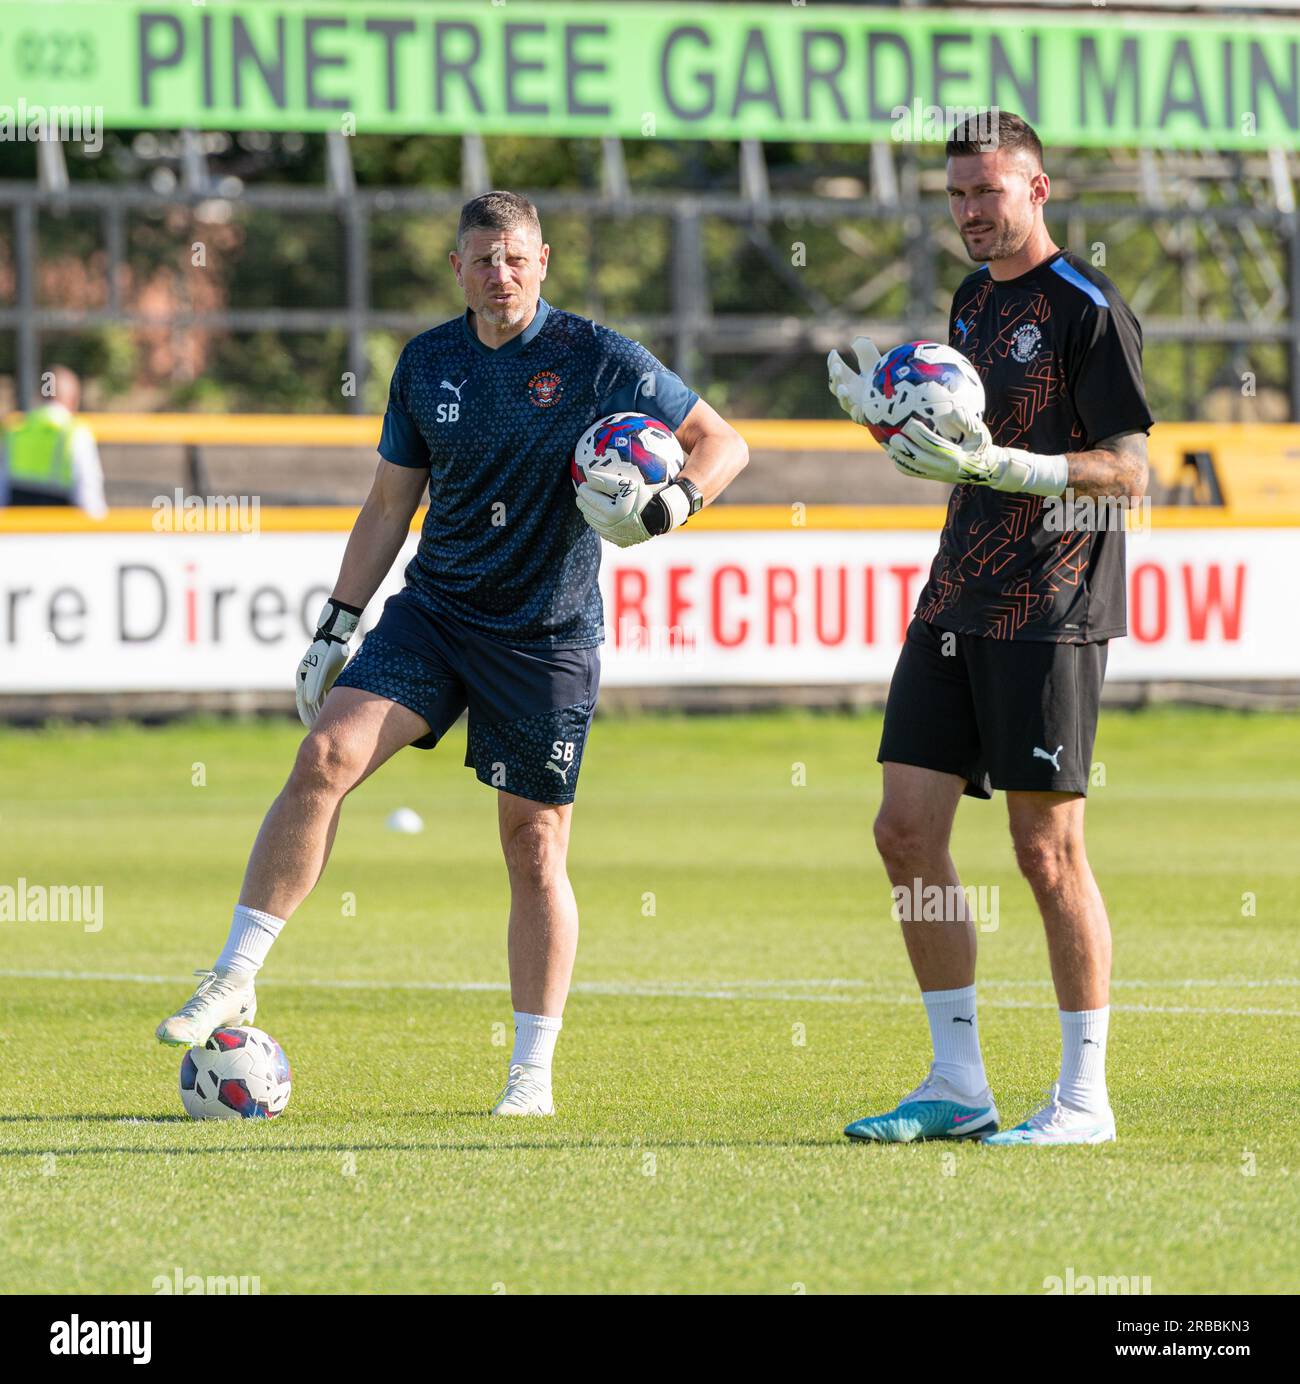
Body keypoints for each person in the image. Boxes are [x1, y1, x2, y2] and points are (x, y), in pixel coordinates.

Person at [154, 191, 748, 1116]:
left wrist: (676, 504)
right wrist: (337, 623)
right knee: (324, 757)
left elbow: (723, 442)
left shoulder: (596, 355)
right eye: (481, 259)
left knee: (533, 845)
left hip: (545, 636)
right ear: (457, 268)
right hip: (434, 613)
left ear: (542, 260)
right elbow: (390, 503)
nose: (499, 275)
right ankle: (234, 971)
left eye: (514, 258)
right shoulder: (427, 360)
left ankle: (530, 1076)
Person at [828, 112, 1153, 1145]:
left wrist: (1013, 468)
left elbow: (1130, 479)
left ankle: (1082, 1099)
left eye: (988, 192)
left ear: (1037, 189)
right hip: (955, 598)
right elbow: (966, 437)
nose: (970, 212)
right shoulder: (971, 300)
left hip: (1049, 605)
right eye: (957, 195)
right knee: (903, 830)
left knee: (1044, 849)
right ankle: (957, 1084)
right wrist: (897, 429)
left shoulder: (1088, 310)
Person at [0, 365, 107, 517]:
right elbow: (89, 493)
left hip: (19, 531)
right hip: (58, 531)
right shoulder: (75, 432)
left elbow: (2, 488)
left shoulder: (16, 429)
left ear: (40, 394)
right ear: (72, 398)